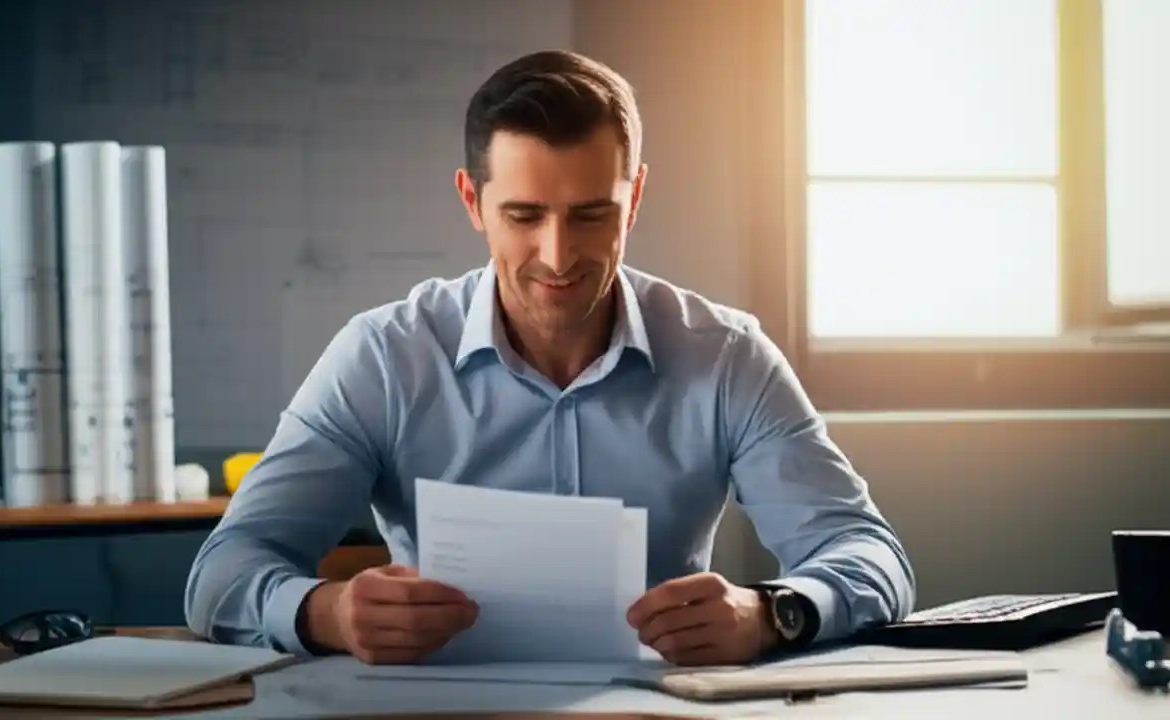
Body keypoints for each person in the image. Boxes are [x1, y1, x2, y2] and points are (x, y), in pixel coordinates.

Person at [185, 49, 915, 666]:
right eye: (524, 216)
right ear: (473, 201)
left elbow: (867, 553)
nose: (558, 256)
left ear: (634, 202)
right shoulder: (383, 357)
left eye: (591, 215)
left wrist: (770, 613)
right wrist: (329, 614)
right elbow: (221, 575)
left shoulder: (725, 356)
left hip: (658, 707)